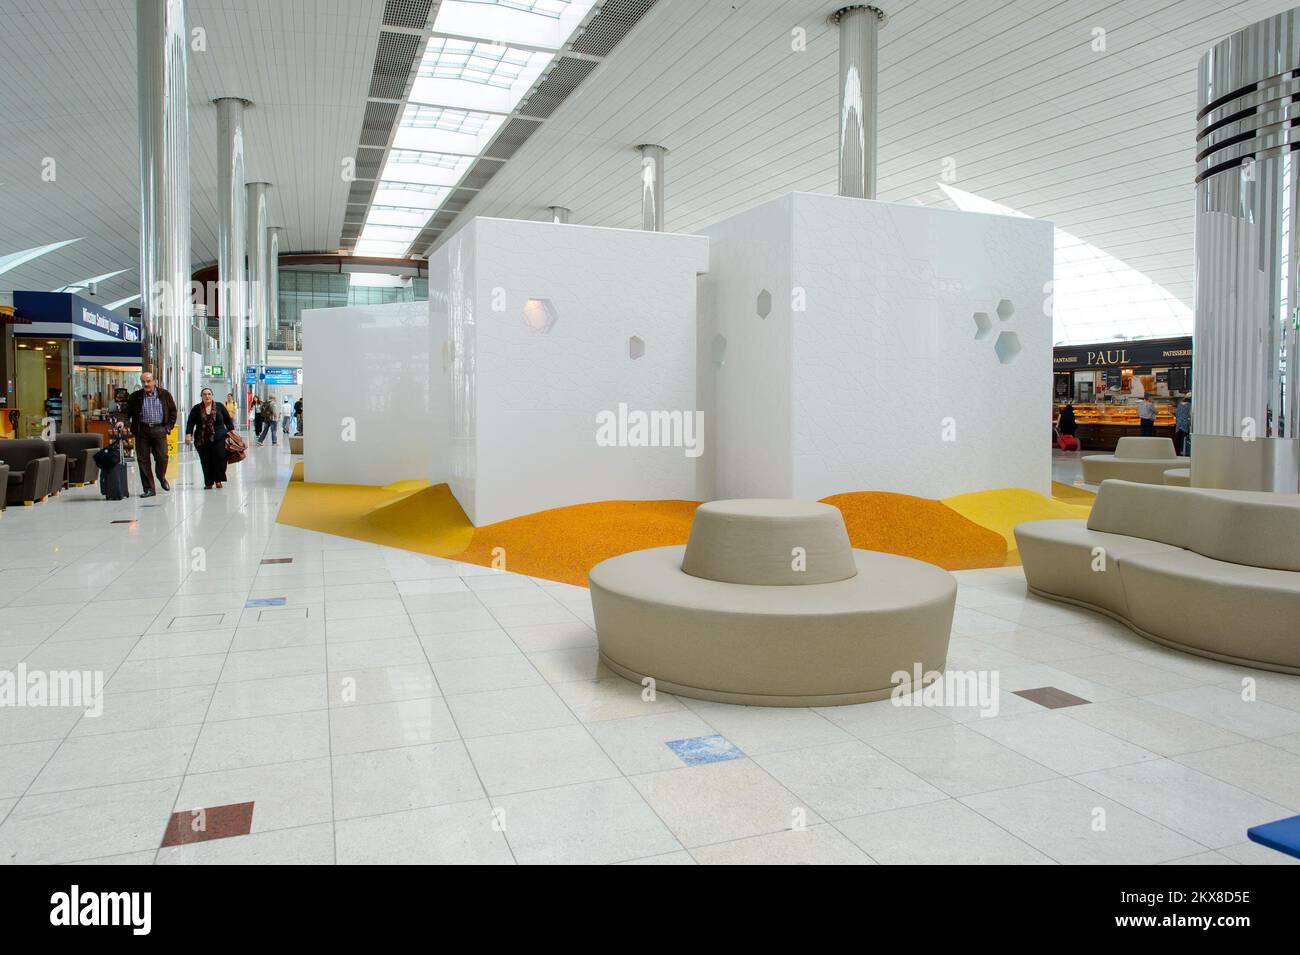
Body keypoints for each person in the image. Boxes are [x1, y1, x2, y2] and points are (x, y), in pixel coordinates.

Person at [125, 370, 177, 497]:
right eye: (143, 381)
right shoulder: (135, 396)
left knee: (162, 457)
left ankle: (161, 476)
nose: (146, 384)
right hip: (142, 430)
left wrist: (168, 427)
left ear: (154, 381)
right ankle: (149, 489)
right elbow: (127, 413)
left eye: (148, 381)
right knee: (143, 460)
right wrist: (122, 422)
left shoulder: (165, 395)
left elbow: (173, 411)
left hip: (159, 430)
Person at [185, 387, 234, 489]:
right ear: (202, 396)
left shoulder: (220, 406)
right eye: (204, 394)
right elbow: (190, 422)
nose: (207, 396)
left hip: (220, 438)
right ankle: (208, 482)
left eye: (209, 394)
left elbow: (228, 420)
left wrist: (232, 432)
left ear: (212, 396)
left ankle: (218, 479)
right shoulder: (196, 408)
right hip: (202, 439)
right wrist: (188, 434)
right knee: (206, 461)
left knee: (220, 459)